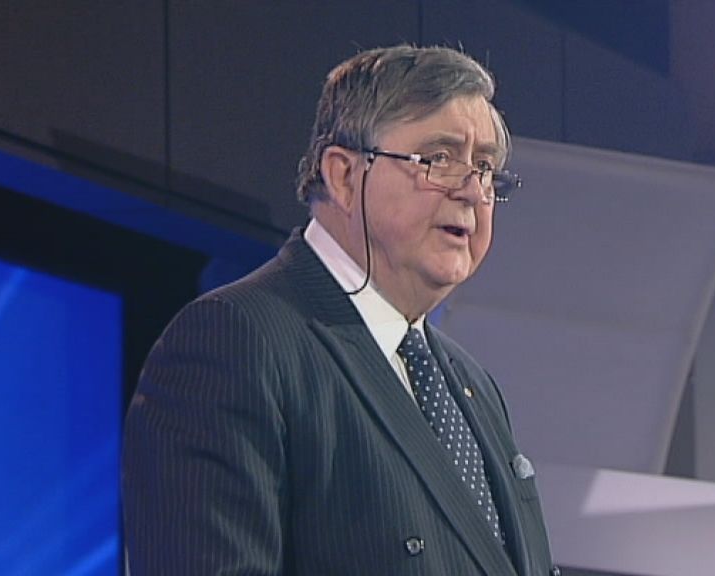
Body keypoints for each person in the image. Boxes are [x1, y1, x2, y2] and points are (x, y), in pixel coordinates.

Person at [122, 44, 556, 576]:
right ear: (345, 176)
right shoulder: (234, 341)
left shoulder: (472, 384)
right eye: (439, 159)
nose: (472, 190)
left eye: (486, 168)